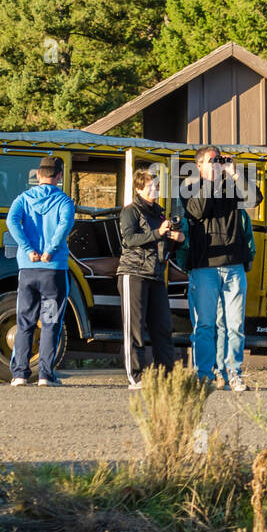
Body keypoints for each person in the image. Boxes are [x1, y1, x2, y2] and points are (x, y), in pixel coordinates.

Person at [183, 145, 262, 390]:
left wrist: (234, 172)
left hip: (233, 265)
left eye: (219, 159)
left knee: (235, 324)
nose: (217, 163)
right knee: (205, 324)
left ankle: (232, 373)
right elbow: (197, 211)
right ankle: (204, 374)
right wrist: (211, 180)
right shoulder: (189, 187)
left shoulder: (232, 188)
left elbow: (255, 198)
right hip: (204, 266)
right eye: (212, 160)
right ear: (199, 166)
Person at [5, 155, 74, 387]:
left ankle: (20, 374)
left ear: (37, 175)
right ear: (59, 176)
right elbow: (64, 225)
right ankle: (45, 374)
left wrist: (27, 248)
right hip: (53, 272)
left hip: (27, 269)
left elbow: (11, 222)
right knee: (51, 321)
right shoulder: (65, 201)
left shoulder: (23, 199)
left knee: (25, 321)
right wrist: (51, 250)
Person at [118, 166, 184, 389]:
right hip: (133, 272)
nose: (155, 189)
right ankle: (135, 376)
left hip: (156, 274)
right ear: (139, 187)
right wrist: (158, 233)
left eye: (156, 185)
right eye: (150, 185)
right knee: (135, 327)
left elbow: (163, 244)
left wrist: (177, 238)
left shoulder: (159, 212)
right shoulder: (131, 211)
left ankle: (166, 377)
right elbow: (129, 239)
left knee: (163, 327)